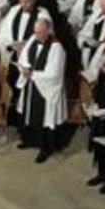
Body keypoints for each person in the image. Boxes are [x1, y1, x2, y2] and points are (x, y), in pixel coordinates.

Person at [15, 17, 67, 163]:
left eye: (40, 33)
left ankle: (46, 148)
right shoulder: (33, 40)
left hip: (46, 89)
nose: (36, 35)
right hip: (31, 85)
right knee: (28, 112)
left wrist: (33, 74)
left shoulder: (56, 48)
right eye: (35, 32)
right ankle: (30, 140)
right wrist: (24, 68)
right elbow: (24, 58)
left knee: (44, 117)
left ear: (48, 31)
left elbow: (55, 73)